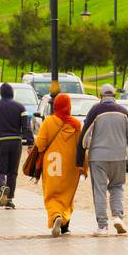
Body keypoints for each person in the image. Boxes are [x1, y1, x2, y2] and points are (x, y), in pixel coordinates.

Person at [79, 83, 128, 236]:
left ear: (101, 96)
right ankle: (118, 216)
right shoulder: (124, 112)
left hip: (98, 158)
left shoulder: (95, 110)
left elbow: (84, 135)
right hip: (119, 158)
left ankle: (102, 226)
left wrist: (81, 154)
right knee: (117, 187)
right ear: (114, 96)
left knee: (99, 190)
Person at [34, 92, 85, 236]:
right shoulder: (76, 124)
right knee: (67, 196)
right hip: (70, 168)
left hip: (52, 165)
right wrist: (84, 167)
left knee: (51, 196)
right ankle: (65, 225)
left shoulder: (49, 122)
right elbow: (81, 147)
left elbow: (41, 144)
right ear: (69, 106)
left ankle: (56, 216)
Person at [0, 82, 29, 209]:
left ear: (1, 93)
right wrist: (30, 143)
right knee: (12, 172)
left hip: (0, 142)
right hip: (16, 142)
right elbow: (26, 127)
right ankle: (9, 200)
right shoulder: (21, 107)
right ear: (12, 93)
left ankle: (3, 186)